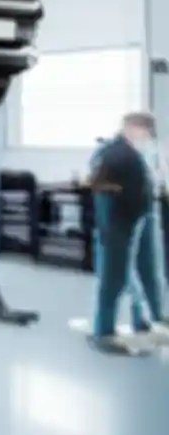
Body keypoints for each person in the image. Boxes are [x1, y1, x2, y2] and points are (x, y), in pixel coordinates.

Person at [88, 111, 169, 355]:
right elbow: (101, 189)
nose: (148, 138)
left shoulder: (140, 152)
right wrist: (110, 227)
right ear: (132, 128)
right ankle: (103, 332)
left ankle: (146, 319)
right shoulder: (111, 154)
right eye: (144, 131)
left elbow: (151, 181)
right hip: (119, 222)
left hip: (142, 217)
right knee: (116, 276)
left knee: (147, 271)